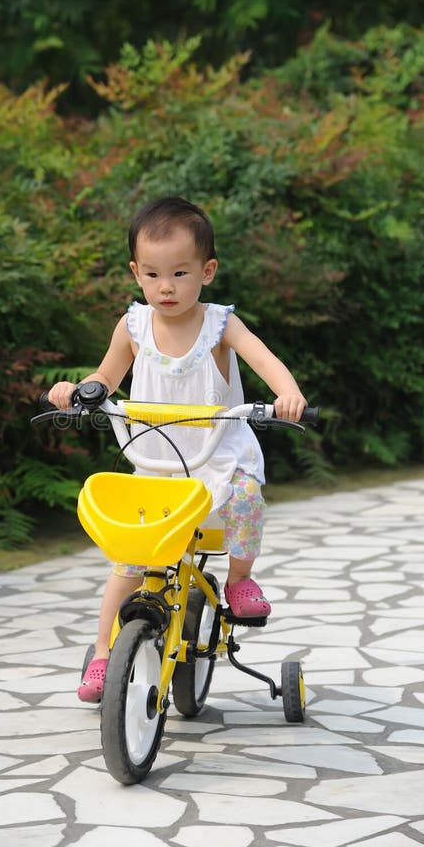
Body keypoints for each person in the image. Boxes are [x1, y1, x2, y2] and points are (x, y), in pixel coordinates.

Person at [48, 196, 308, 702]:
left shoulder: (218, 324)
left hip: (217, 458)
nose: (166, 287)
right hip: (158, 465)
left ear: (207, 271)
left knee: (247, 499)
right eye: (152, 274)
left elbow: (265, 359)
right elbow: (105, 376)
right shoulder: (133, 326)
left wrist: (287, 394)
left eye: (180, 273)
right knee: (127, 561)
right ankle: (102, 652)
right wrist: (77, 391)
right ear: (136, 273)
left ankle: (239, 580)